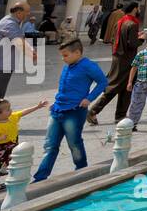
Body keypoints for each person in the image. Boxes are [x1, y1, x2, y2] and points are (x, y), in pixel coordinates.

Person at [31, 38, 107, 183]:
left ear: (77, 52)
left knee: (74, 144)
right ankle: (40, 177)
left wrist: (89, 98)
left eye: (65, 55)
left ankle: (82, 170)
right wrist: (56, 101)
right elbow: (65, 87)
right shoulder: (68, 65)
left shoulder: (88, 66)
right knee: (50, 145)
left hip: (74, 111)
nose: (63, 58)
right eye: (62, 55)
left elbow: (103, 82)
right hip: (57, 110)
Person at [0, 2, 38, 134]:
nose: (28, 14)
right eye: (27, 12)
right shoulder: (9, 23)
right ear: (19, 12)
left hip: (1, 65)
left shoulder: (12, 23)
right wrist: (31, 54)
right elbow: (18, 41)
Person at [0, 98, 49, 192]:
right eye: (8, 109)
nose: (11, 110)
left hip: (9, 148)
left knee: (1, 168)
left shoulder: (12, 118)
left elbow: (23, 112)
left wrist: (37, 107)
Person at [88, 1, 141, 125]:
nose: (139, 10)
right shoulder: (132, 24)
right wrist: (141, 39)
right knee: (117, 86)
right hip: (128, 59)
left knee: (124, 87)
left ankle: (120, 115)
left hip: (117, 57)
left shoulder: (120, 22)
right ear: (134, 9)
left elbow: (114, 39)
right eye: (138, 8)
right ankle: (93, 110)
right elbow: (133, 44)